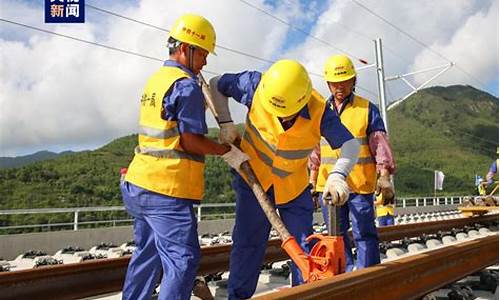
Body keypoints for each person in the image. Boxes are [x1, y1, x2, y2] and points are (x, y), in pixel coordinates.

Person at [208, 59, 360, 299]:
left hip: (293, 185)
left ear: (302, 102)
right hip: (253, 180)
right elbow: (216, 84)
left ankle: (302, 294)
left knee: (303, 247)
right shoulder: (256, 84)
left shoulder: (319, 109)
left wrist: (338, 175)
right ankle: (238, 297)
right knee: (247, 243)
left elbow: (351, 145)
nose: (281, 119)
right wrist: (226, 122)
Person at [120, 14, 248, 300]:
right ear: (185, 49)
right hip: (167, 189)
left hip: (139, 182)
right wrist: (226, 151)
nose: (204, 62)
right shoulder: (186, 86)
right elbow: (190, 141)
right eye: (202, 54)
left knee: (147, 255)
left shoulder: (157, 79)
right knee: (183, 260)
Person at [308, 54, 396, 272]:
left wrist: (384, 176)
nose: (339, 87)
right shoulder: (320, 110)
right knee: (335, 236)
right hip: (328, 186)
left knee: (364, 233)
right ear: (328, 83)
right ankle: (345, 278)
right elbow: (315, 150)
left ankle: (368, 277)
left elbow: (379, 144)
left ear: (353, 81)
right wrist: (311, 181)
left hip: (359, 185)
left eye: (344, 81)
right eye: (335, 82)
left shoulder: (367, 109)